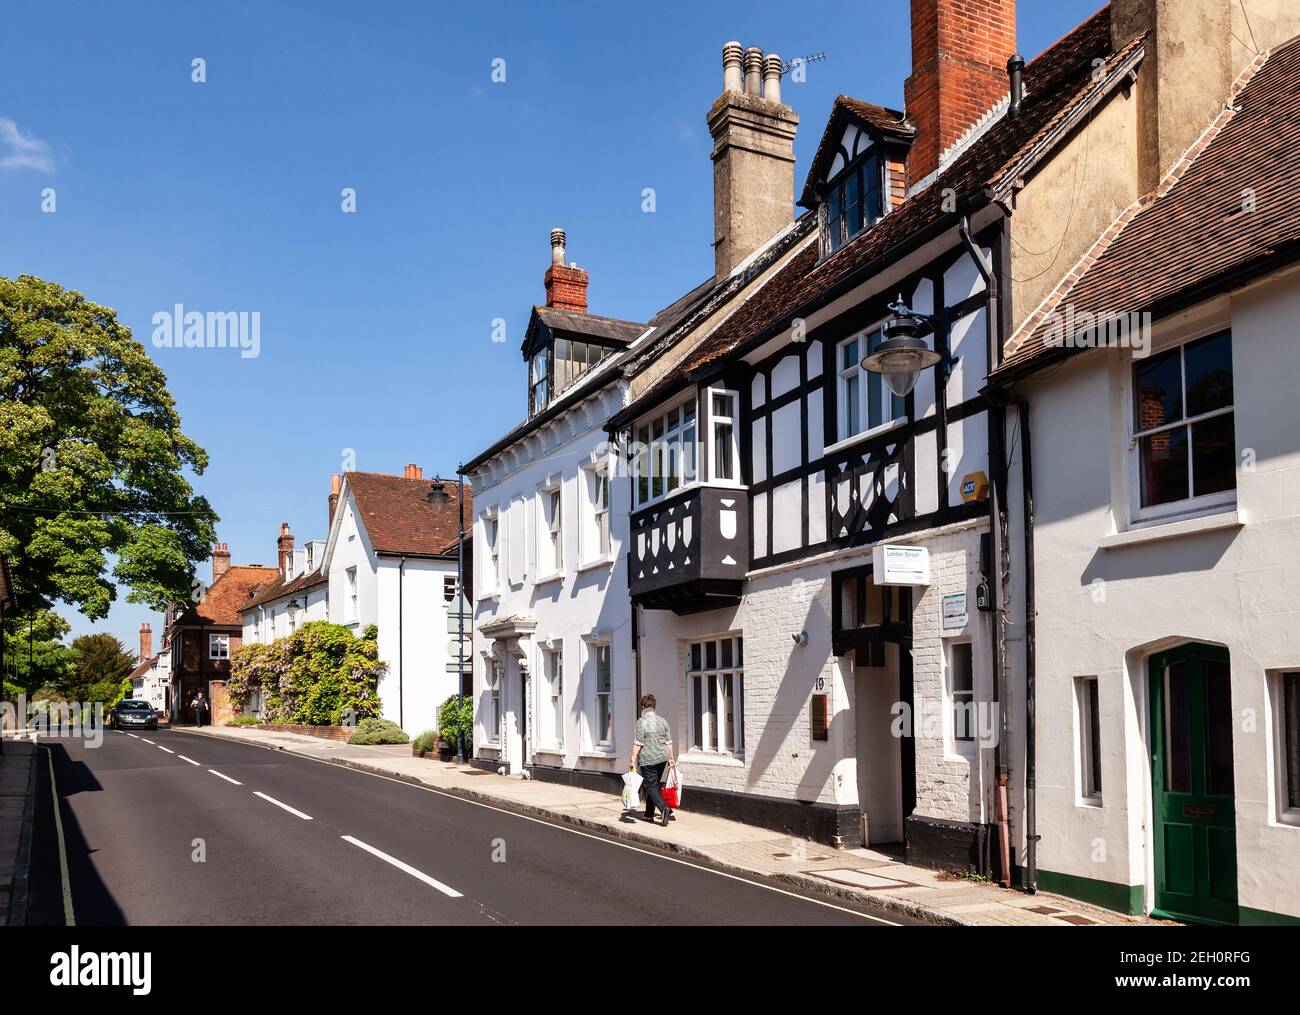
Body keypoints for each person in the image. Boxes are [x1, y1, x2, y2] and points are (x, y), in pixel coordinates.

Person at [630, 693, 675, 826]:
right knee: (654, 786)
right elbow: (669, 743)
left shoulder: (641, 722)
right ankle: (649, 815)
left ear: (643, 707)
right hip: (662, 758)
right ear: (654, 706)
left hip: (648, 759)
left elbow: (638, 743)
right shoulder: (663, 721)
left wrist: (632, 758)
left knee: (650, 786)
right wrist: (671, 759)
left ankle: (664, 808)